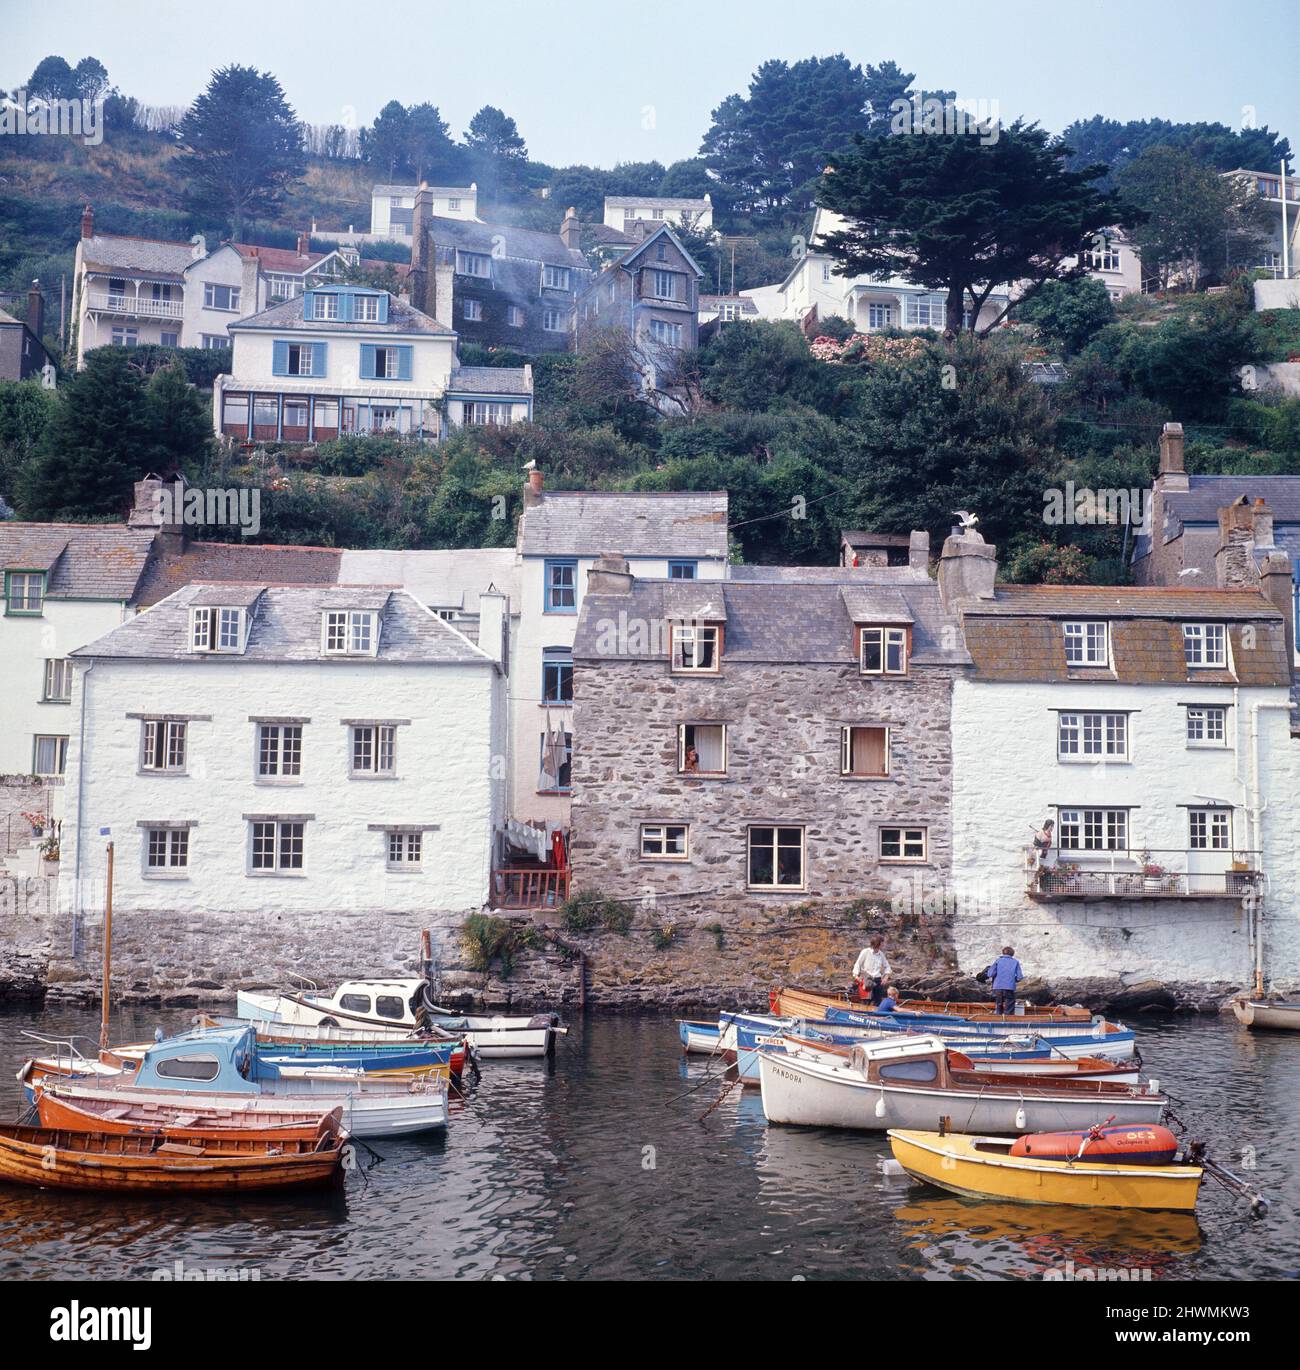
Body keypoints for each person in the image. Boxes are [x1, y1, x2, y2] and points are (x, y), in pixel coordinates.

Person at [852, 935, 891, 1004]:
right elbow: (858, 964)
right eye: (882, 943)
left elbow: (887, 966)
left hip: (878, 980)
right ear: (877, 943)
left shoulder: (881, 954)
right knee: (866, 1002)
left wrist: (886, 977)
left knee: (877, 1002)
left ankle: (876, 1014)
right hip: (867, 980)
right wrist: (856, 976)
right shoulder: (865, 952)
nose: (884, 944)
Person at [985, 946, 1024, 1015]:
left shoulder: (998, 961)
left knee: (998, 1005)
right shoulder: (1015, 962)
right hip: (1009, 988)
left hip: (997, 988)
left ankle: (998, 1019)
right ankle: (1007, 1021)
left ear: (1003, 953)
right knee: (1009, 1007)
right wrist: (1012, 980)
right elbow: (1019, 977)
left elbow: (990, 974)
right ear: (1012, 954)